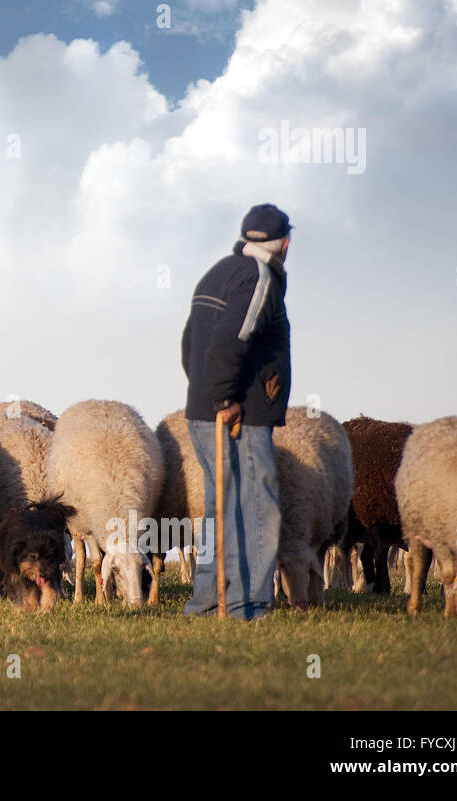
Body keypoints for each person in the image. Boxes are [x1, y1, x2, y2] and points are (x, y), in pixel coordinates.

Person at [180, 203, 292, 620]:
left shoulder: (217, 272)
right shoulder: (259, 277)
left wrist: (205, 395)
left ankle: (207, 604)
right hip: (238, 418)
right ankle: (247, 606)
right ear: (285, 243)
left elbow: (190, 343)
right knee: (256, 507)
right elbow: (231, 339)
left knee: (219, 509)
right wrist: (225, 400)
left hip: (204, 410)